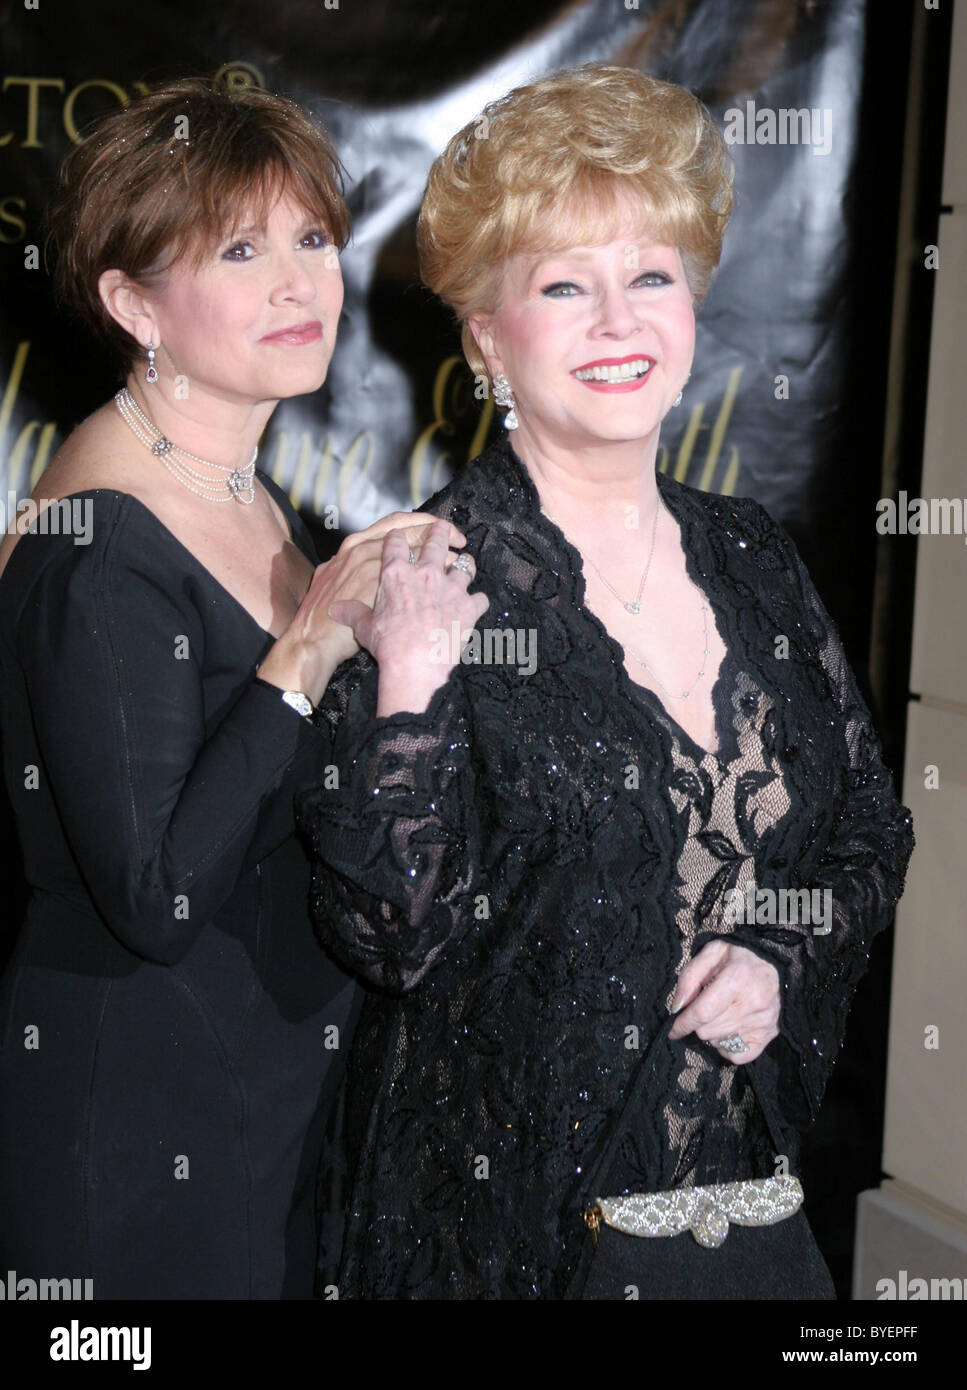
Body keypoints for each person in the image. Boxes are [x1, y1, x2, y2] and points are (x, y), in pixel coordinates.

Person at [295, 63, 915, 1300]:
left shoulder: (750, 554)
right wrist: (409, 690)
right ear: (486, 336)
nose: (619, 322)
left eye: (650, 277)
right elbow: (387, 940)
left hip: (738, 1211)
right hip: (503, 1235)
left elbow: (866, 829)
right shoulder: (425, 574)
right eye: (563, 287)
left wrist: (777, 959)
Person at [0, 77, 475, 1299]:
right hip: (143, 1128)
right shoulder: (96, 544)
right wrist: (307, 652)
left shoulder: (258, 501)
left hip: (271, 1101)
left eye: (313, 239)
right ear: (129, 301)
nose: (298, 283)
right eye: (241, 248)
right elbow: (156, 897)